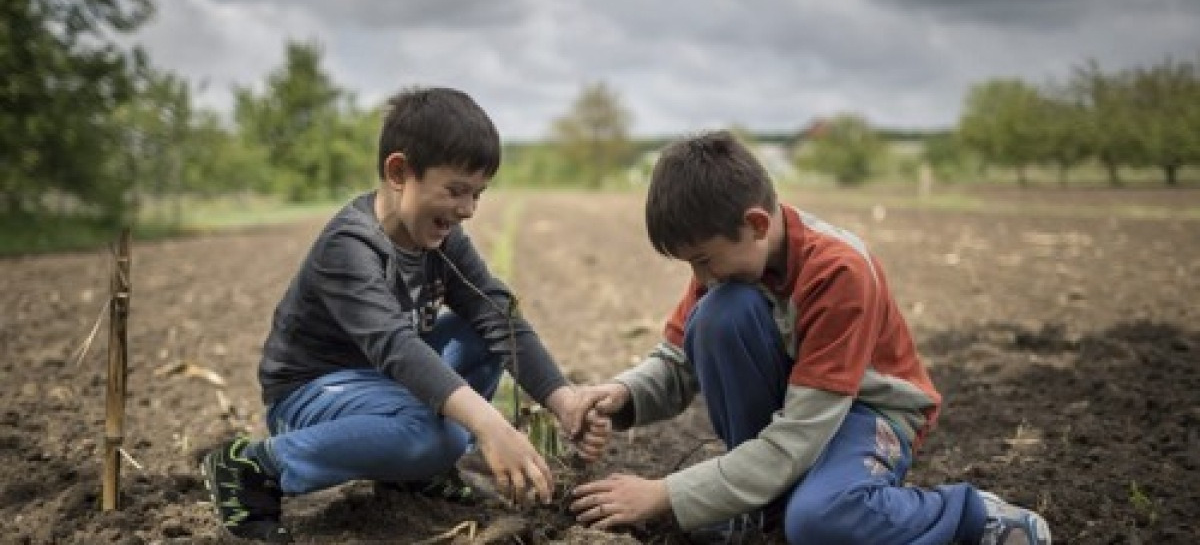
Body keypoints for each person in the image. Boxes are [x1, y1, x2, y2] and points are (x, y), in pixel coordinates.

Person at [570, 131, 1051, 544]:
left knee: (820, 521)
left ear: (756, 224)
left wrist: (665, 493)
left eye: (703, 260)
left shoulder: (839, 271)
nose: (701, 277)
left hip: (864, 411)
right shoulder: (726, 269)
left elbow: (799, 434)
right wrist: (622, 394)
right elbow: (677, 361)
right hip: (798, 415)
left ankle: (969, 514)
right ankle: (765, 505)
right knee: (722, 314)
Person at [201, 87, 610, 543]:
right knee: (443, 436)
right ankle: (256, 465)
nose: (468, 210)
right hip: (312, 395)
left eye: (478, 194)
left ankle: (412, 471)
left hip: (382, 386)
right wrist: (491, 425)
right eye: (455, 191)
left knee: (484, 331)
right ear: (399, 172)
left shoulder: (444, 241)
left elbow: (499, 317)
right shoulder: (351, 247)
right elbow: (396, 347)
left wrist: (564, 400)